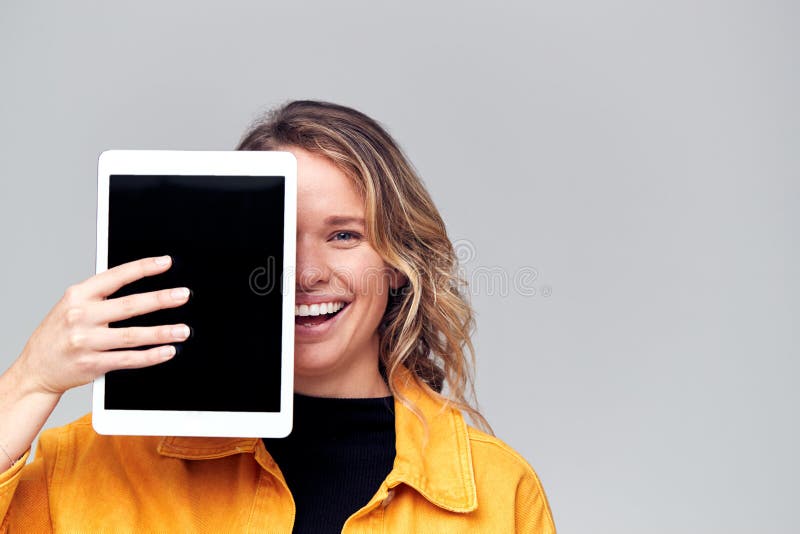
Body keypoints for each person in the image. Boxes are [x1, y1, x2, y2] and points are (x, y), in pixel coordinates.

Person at [0, 100, 556, 532]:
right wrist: (29, 380)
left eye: (344, 235)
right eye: (277, 237)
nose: (307, 272)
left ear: (398, 263)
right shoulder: (88, 465)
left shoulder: (498, 491)